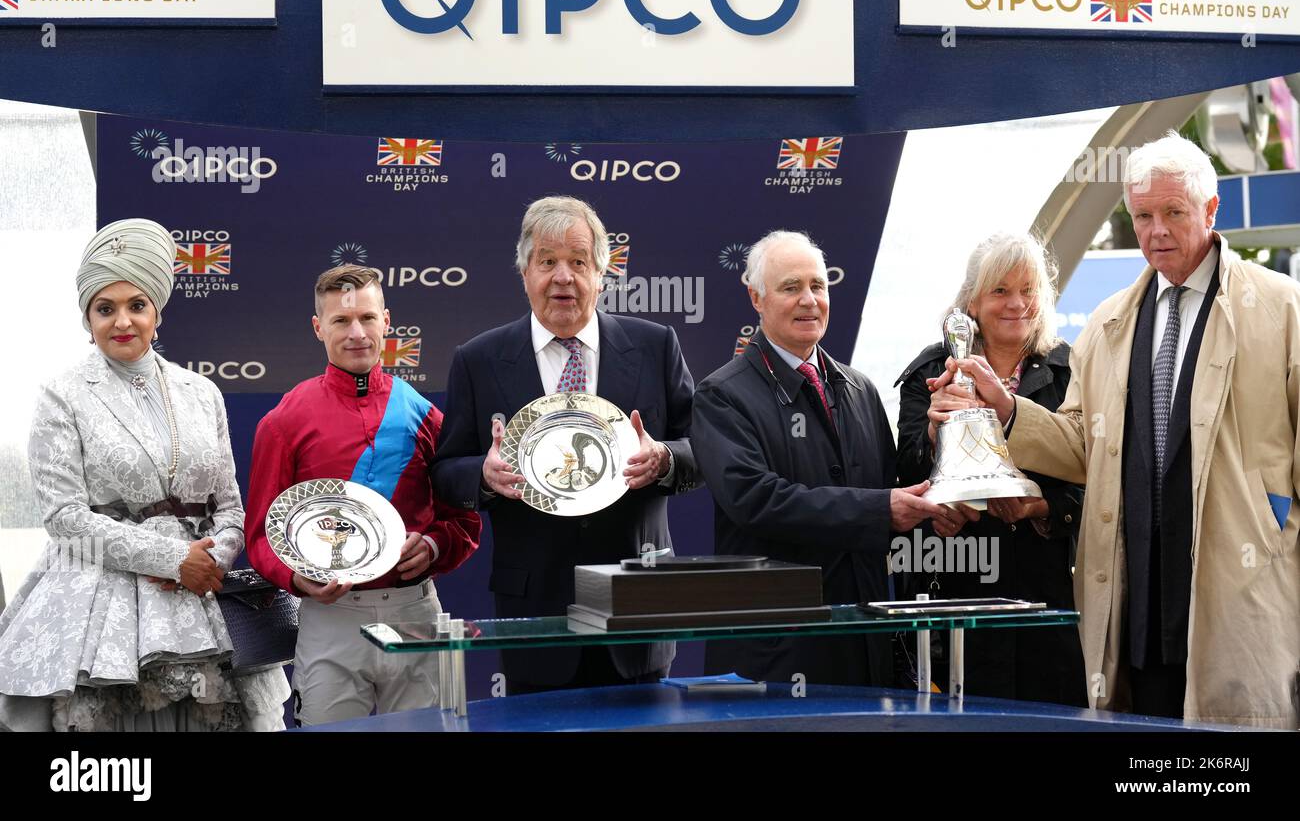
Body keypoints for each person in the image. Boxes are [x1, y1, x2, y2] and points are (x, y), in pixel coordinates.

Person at [935, 132, 1300, 728]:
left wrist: (1271, 520)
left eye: (1173, 213)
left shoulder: (1283, 308)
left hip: (1242, 596)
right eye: (1142, 216)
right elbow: (1083, 448)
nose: (1155, 230)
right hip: (1137, 608)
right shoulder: (1109, 322)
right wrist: (1005, 409)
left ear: (1211, 210)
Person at [0, 219, 290, 731]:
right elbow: (64, 517)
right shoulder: (61, 393)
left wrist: (212, 557)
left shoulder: (202, 393)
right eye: (105, 309)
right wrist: (174, 559)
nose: (122, 322)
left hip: (203, 594)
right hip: (99, 599)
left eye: (136, 305)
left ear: (157, 310)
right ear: (86, 318)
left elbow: (229, 507)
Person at [432, 196, 696, 695]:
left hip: (636, 606)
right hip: (535, 614)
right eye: (547, 261)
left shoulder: (656, 345)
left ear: (601, 273)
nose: (563, 277)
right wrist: (483, 477)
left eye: (578, 262)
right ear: (524, 272)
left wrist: (664, 459)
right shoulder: (479, 359)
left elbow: (704, 448)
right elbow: (445, 471)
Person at [691, 230, 945, 686]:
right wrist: (881, 508)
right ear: (756, 298)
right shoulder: (721, 395)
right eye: (791, 288)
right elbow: (757, 501)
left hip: (864, 645)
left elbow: (889, 487)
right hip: (776, 655)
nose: (809, 300)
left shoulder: (859, 388)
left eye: (818, 286)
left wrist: (936, 500)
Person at [244, 265, 481, 727]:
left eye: (367, 319)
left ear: (386, 322)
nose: (357, 333)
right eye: (340, 321)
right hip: (330, 616)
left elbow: (465, 521)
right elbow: (260, 539)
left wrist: (434, 546)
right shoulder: (283, 421)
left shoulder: (426, 416)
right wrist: (297, 580)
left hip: (416, 611)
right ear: (318, 327)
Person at [895, 232, 1085, 705]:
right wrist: (938, 436)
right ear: (971, 302)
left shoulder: (1073, 371)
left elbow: (1104, 480)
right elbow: (905, 472)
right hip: (960, 588)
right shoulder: (931, 372)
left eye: (1028, 289)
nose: (1016, 303)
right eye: (1000, 290)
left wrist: (1042, 507)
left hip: (1054, 596)